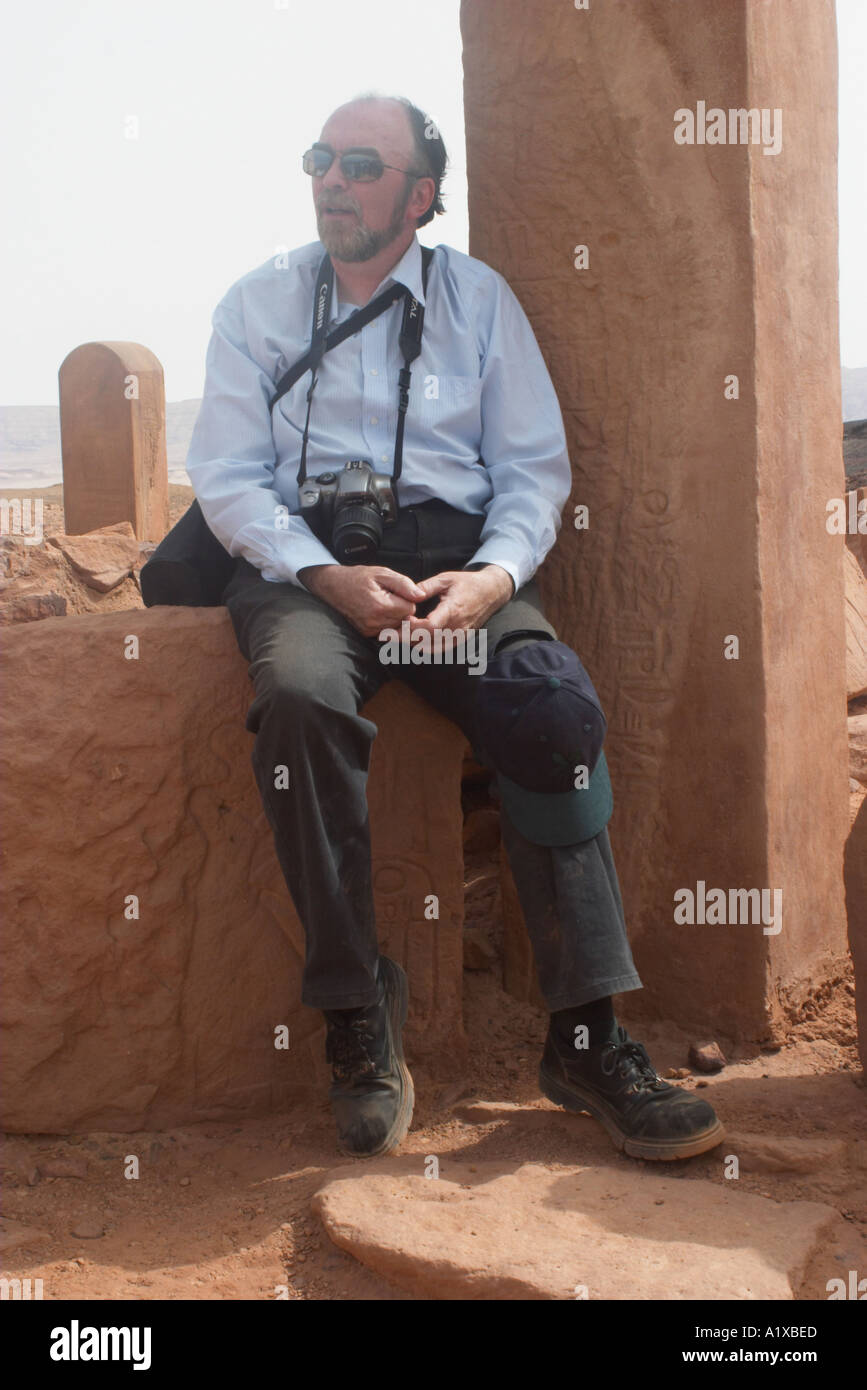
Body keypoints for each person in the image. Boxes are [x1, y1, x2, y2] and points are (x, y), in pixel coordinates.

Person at [185, 92, 725, 1164]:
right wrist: (323, 573)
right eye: (320, 159)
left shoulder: (479, 303)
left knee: (552, 706)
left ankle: (586, 1036)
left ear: (420, 196)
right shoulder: (256, 303)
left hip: (452, 569)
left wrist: (491, 576)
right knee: (297, 697)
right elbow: (227, 477)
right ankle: (356, 1013)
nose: (331, 180)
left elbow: (532, 471)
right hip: (308, 568)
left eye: (360, 165)